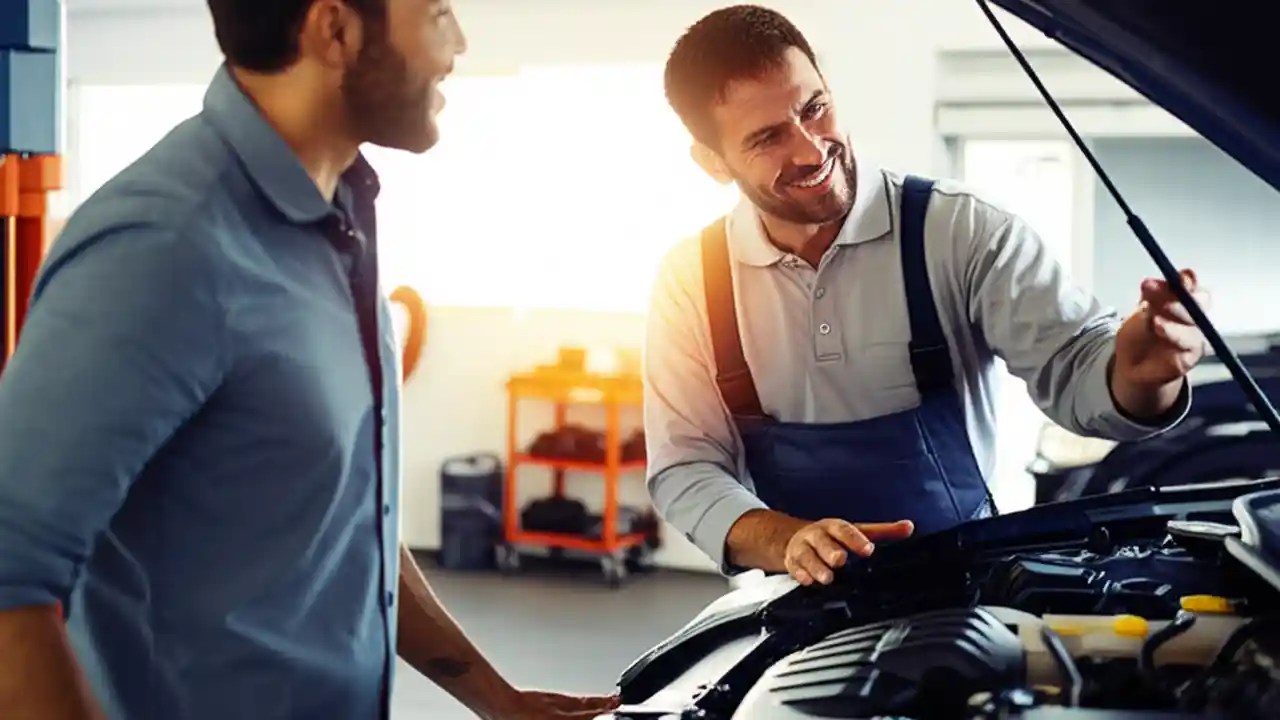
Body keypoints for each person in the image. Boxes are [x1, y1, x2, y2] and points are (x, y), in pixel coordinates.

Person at [0, 1, 619, 719]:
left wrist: (494, 698)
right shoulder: (167, 242)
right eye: (439, 12)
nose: (459, 42)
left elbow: (353, 514)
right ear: (335, 30)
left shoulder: (339, 214)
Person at [643, 5, 1210, 588]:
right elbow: (686, 466)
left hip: (968, 588)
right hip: (795, 602)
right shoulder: (690, 281)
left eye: (815, 108)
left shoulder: (960, 232)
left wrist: (1141, 377)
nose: (812, 150)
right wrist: (788, 540)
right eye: (767, 138)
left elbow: (1075, 370)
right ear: (713, 162)